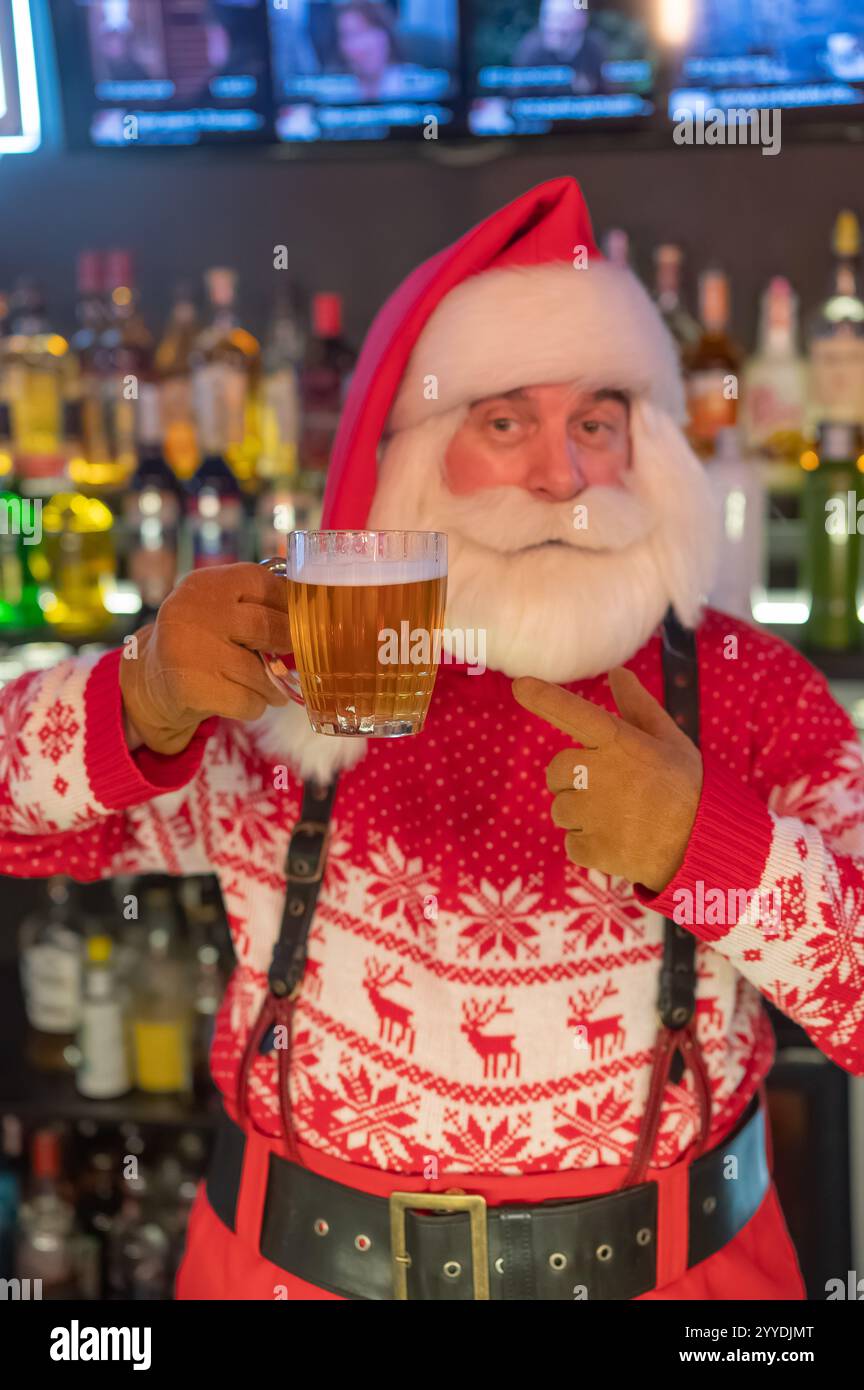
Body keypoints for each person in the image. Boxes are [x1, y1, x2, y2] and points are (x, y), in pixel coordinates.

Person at [3, 178, 862, 1301]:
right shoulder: (300, 675)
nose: (565, 475)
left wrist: (720, 852)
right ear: (408, 456)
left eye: (596, 423)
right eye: (506, 421)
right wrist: (139, 696)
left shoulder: (753, 690)